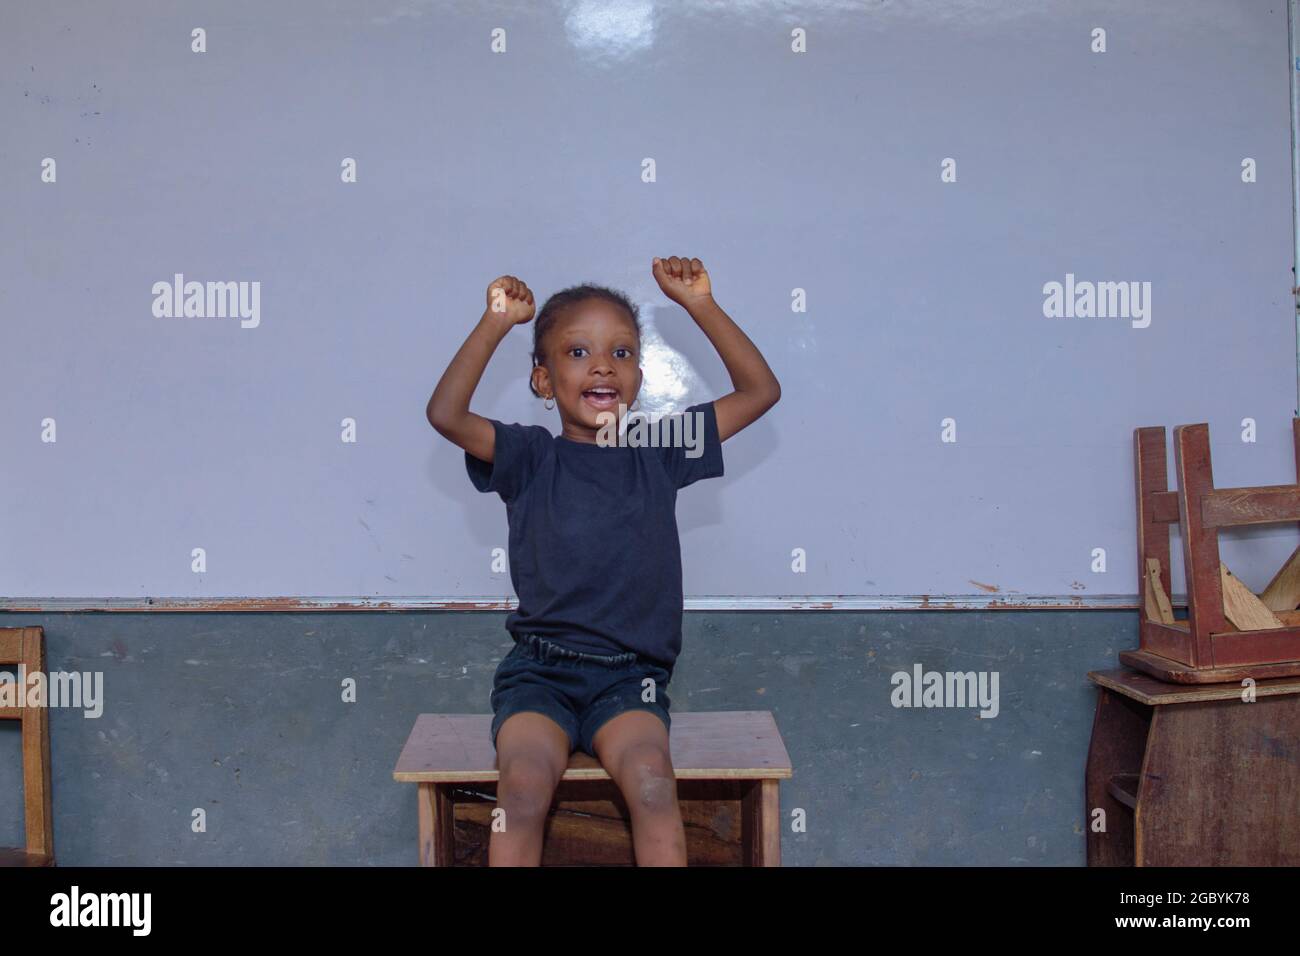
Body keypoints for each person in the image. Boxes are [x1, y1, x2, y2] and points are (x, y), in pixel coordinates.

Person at [427, 256, 780, 865]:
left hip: (630, 677)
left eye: (621, 353)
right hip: (540, 673)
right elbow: (446, 415)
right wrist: (496, 322)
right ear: (542, 380)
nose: (601, 366)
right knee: (521, 787)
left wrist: (699, 305)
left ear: (640, 376)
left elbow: (759, 391)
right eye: (576, 352)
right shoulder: (529, 456)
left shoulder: (659, 450)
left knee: (651, 783)